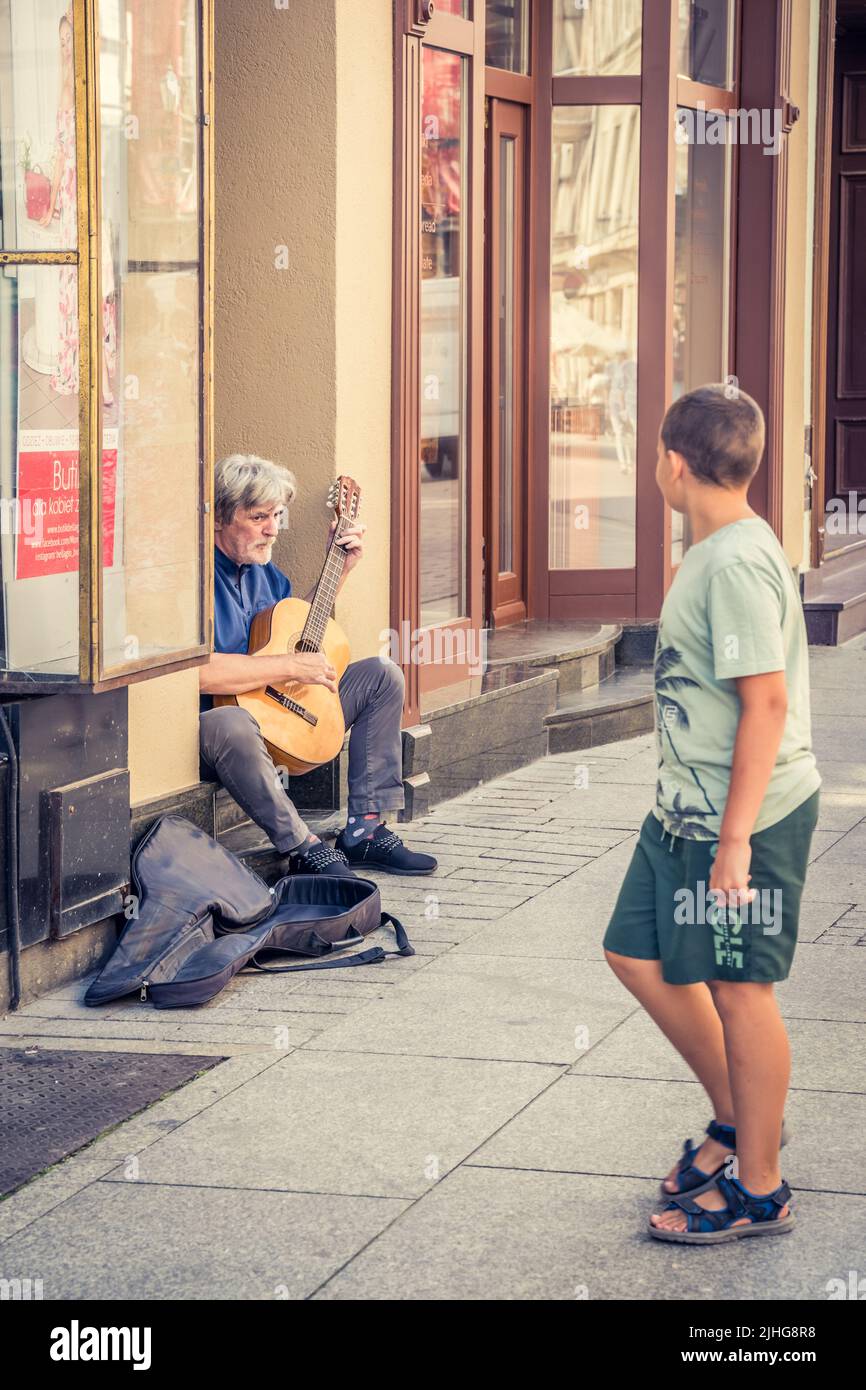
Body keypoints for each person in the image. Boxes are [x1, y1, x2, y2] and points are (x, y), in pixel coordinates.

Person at [602, 384, 821, 1244]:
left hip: (747, 821)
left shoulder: (731, 561)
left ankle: (761, 1186)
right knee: (633, 949)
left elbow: (764, 704)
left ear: (674, 463)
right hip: (682, 815)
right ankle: (738, 1117)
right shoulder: (724, 543)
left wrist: (734, 843)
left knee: (741, 991)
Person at [199, 454, 437, 879]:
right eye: (259, 517)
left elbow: (297, 631)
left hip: (279, 711)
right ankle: (302, 845)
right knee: (230, 722)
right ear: (218, 518)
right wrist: (287, 664)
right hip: (221, 727)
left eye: (276, 515)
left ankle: (365, 829)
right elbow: (196, 673)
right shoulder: (192, 579)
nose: (273, 529)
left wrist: (339, 568)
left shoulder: (266, 573)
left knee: (382, 675)